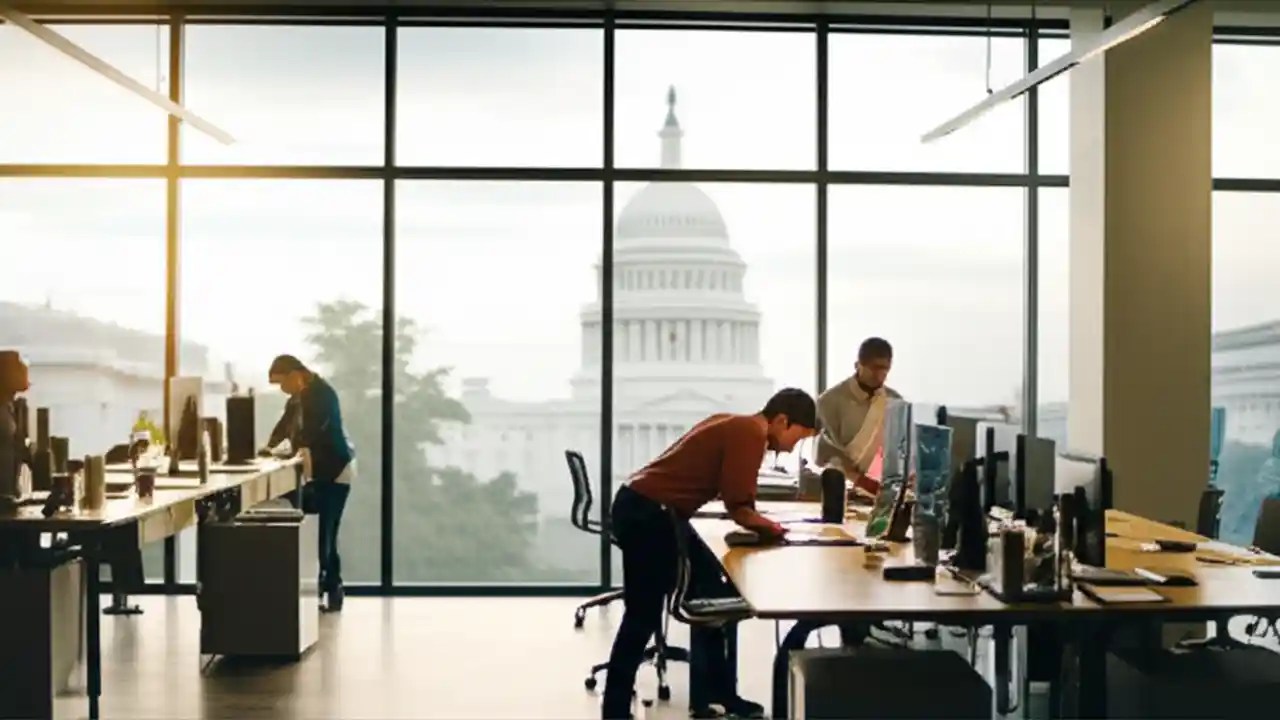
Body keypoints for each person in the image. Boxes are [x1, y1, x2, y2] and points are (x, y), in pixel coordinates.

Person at [602, 388, 818, 720]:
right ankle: (615, 711)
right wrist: (777, 531)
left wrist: (760, 522)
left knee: (714, 589)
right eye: (796, 438)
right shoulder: (750, 434)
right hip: (649, 514)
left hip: (648, 507)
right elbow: (739, 507)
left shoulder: (735, 423)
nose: (790, 449)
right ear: (781, 420)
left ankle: (716, 695)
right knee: (642, 615)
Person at [264, 354, 355, 612]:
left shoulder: (322, 394)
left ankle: (332, 591)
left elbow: (311, 431)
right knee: (316, 532)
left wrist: (292, 450)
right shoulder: (297, 397)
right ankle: (318, 589)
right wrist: (268, 448)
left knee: (326, 534)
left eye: (282, 383)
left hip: (336, 471)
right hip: (316, 472)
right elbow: (284, 427)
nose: (282, 390)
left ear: (295, 375)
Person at [816, 337, 902, 496]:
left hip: (881, 491)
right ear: (858, 366)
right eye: (875, 368)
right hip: (837, 488)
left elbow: (898, 450)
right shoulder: (829, 401)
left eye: (885, 369)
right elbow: (827, 453)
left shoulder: (895, 402)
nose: (881, 375)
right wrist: (859, 480)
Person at [1, 351, 32, 507]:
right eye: (17, 363)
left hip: (10, 498)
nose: (24, 367)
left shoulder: (12, 408)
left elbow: (22, 453)